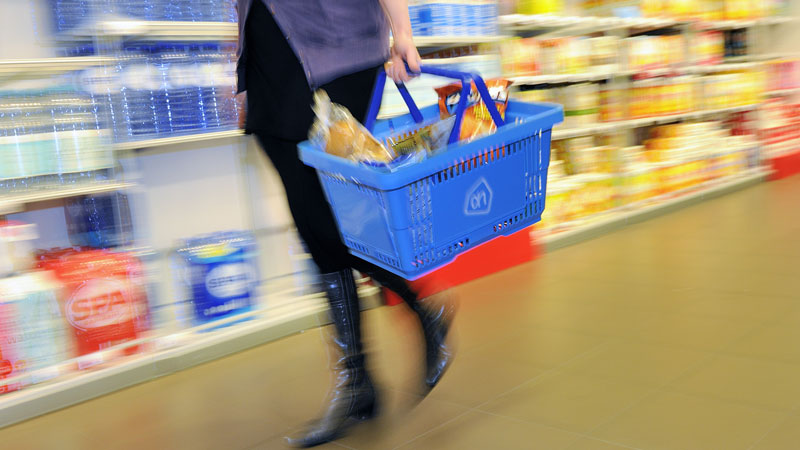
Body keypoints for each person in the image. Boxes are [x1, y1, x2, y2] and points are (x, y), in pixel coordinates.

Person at [235, 0, 456, 447]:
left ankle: (410, 322)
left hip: (336, 47)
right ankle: (365, 376)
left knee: (330, 213)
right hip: (268, 53)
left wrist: (403, 34)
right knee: (311, 219)